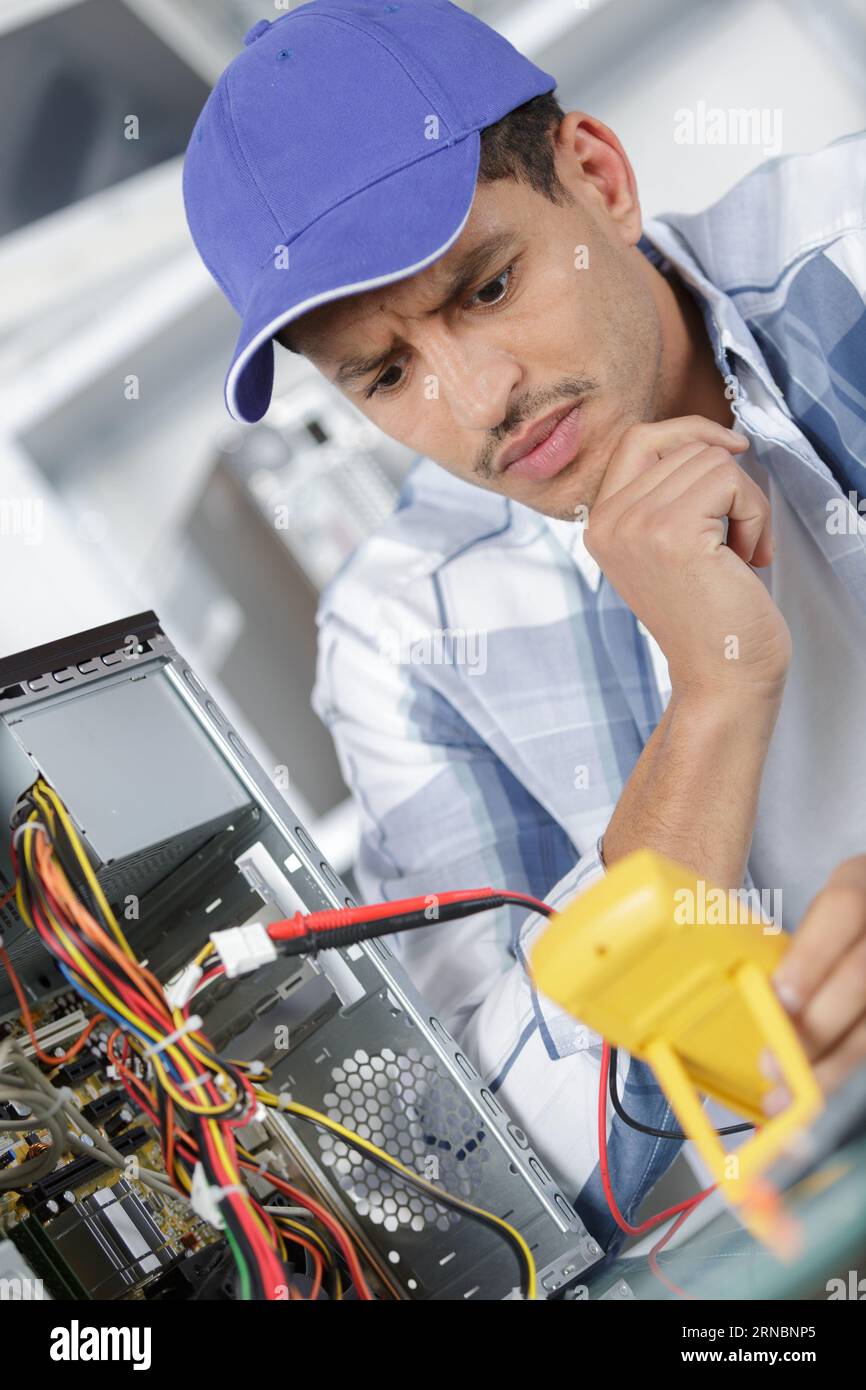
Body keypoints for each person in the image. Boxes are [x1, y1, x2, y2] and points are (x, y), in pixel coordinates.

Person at [183, 0, 866, 1251]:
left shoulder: (850, 254)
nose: (478, 398)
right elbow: (498, 1187)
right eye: (385, 375)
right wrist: (711, 704)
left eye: (487, 287)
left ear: (597, 179)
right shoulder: (403, 642)